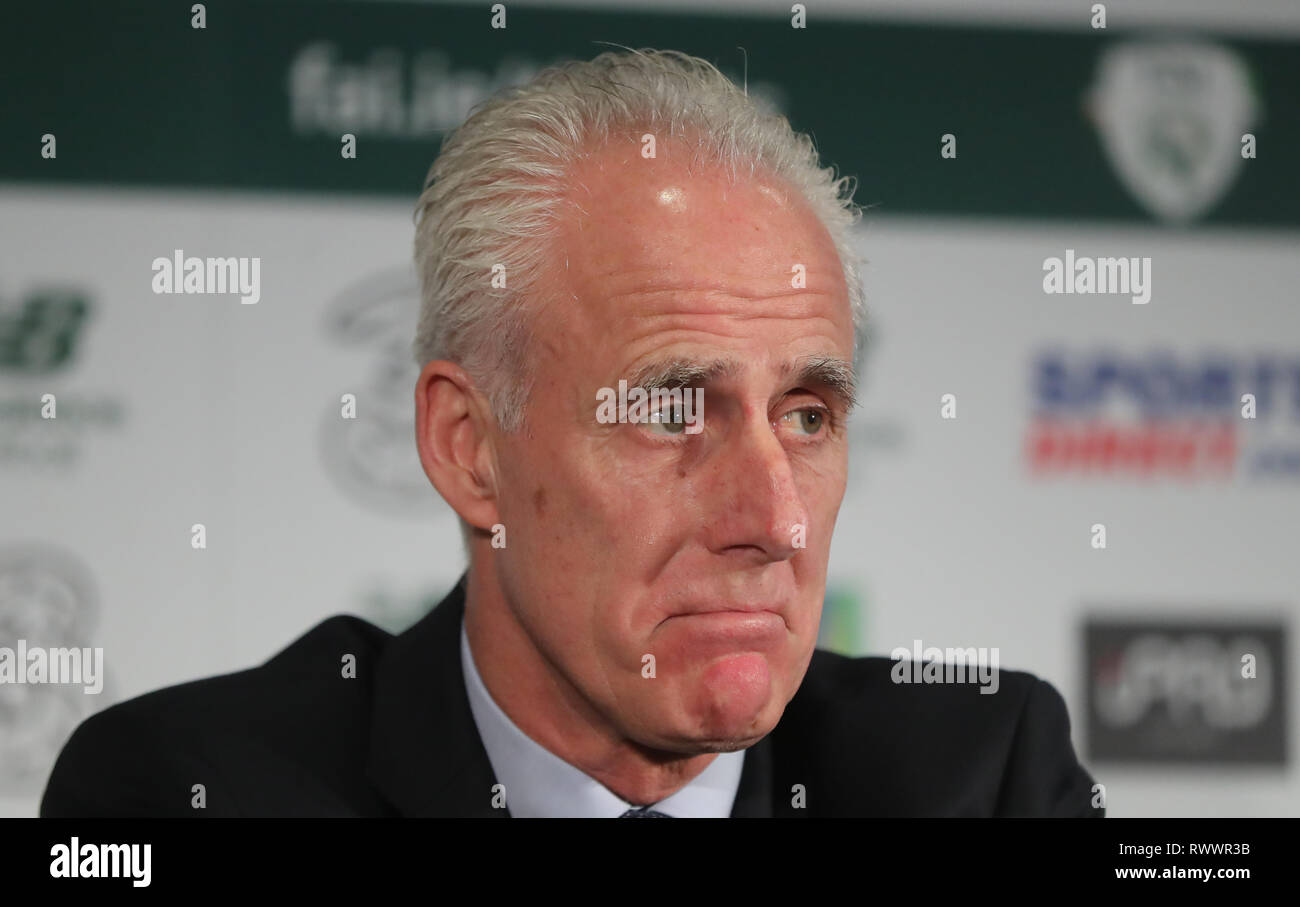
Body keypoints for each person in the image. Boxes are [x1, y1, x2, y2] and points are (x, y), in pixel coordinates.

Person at [42, 48, 1101, 817]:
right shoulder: (184, 791)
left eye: (806, 415)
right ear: (469, 446)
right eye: (670, 409)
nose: (775, 520)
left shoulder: (978, 775)